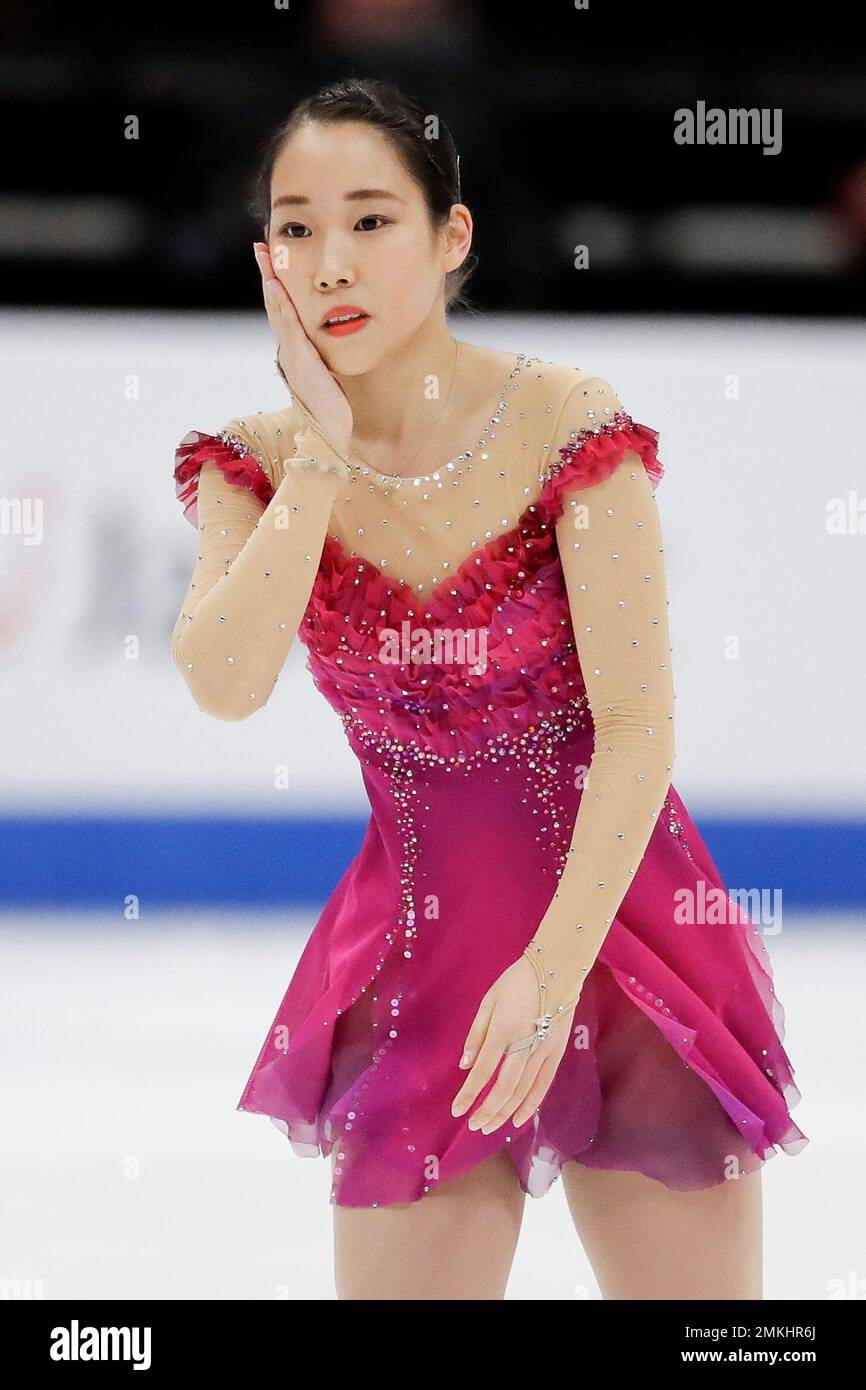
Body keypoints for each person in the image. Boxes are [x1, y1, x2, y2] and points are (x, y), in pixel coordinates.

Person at [169, 78, 807, 1300]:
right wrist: (319, 453)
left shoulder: (565, 422)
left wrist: (553, 972)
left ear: (449, 236)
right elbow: (224, 682)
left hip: (620, 942)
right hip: (417, 958)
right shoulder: (253, 460)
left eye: (368, 220)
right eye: (296, 227)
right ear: (265, 258)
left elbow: (634, 726)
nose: (330, 262)